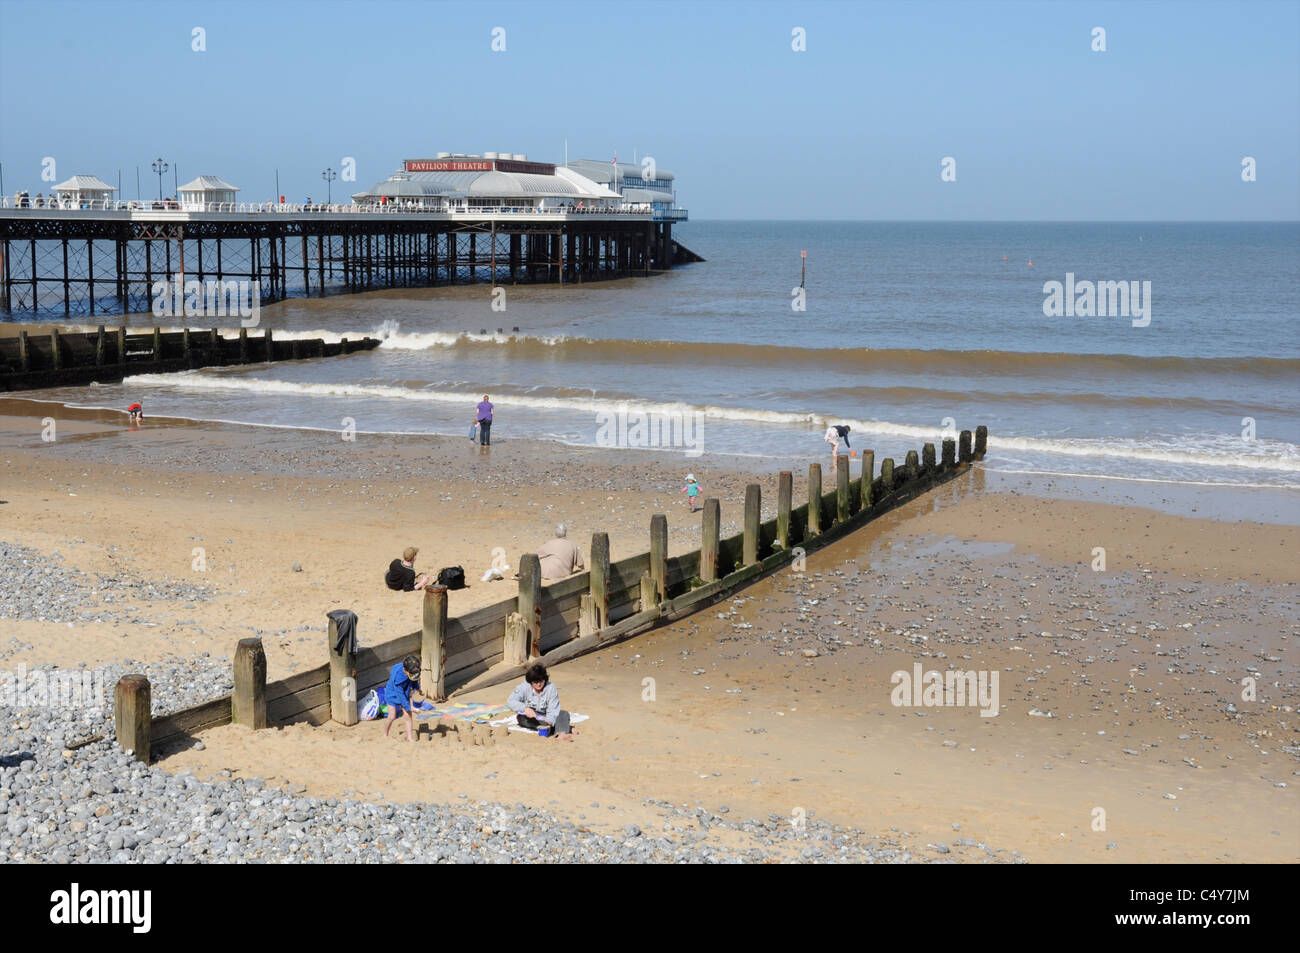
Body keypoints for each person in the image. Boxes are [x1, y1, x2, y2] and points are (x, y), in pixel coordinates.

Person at [507, 662, 575, 740]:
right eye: (535, 682)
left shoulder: (551, 688)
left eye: (541, 681)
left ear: (545, 679)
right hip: (533, 716)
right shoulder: (524, 687)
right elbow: (510, 701)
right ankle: (564, 727)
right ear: (530, 682)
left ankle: (562, 733)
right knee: (521, 718)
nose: (539, 684)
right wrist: (525, 708)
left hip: (547, 716)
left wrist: (549, 722)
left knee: (563, 714)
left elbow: (553, 709)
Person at [383, 655, 421, 741]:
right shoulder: (398, 678)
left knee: (408, 716)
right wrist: (409, 707)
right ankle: (385, 734)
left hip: (405, 692)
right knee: (392, 716)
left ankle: (410, 738)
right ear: (404, 669)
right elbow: (400, 695)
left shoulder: (411, 669)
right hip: (392, 694)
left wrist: (417, 688)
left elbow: (414, 679)